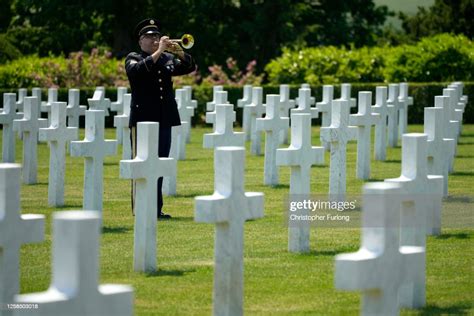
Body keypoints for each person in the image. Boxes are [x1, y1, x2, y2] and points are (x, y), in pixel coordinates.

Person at [125, 18, 196, 219]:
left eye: (156, 36)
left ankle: (156, 209)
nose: (154, 39)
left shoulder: (166, 58)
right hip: (142, 120)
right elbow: (137, 72)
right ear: (140, 41)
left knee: (159, 165)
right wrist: (159, 51)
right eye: (149, 37)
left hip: (164, 118)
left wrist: (179, 52)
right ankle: (140, 208)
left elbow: (189, 67)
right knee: (141, 166)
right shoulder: (133, 57)